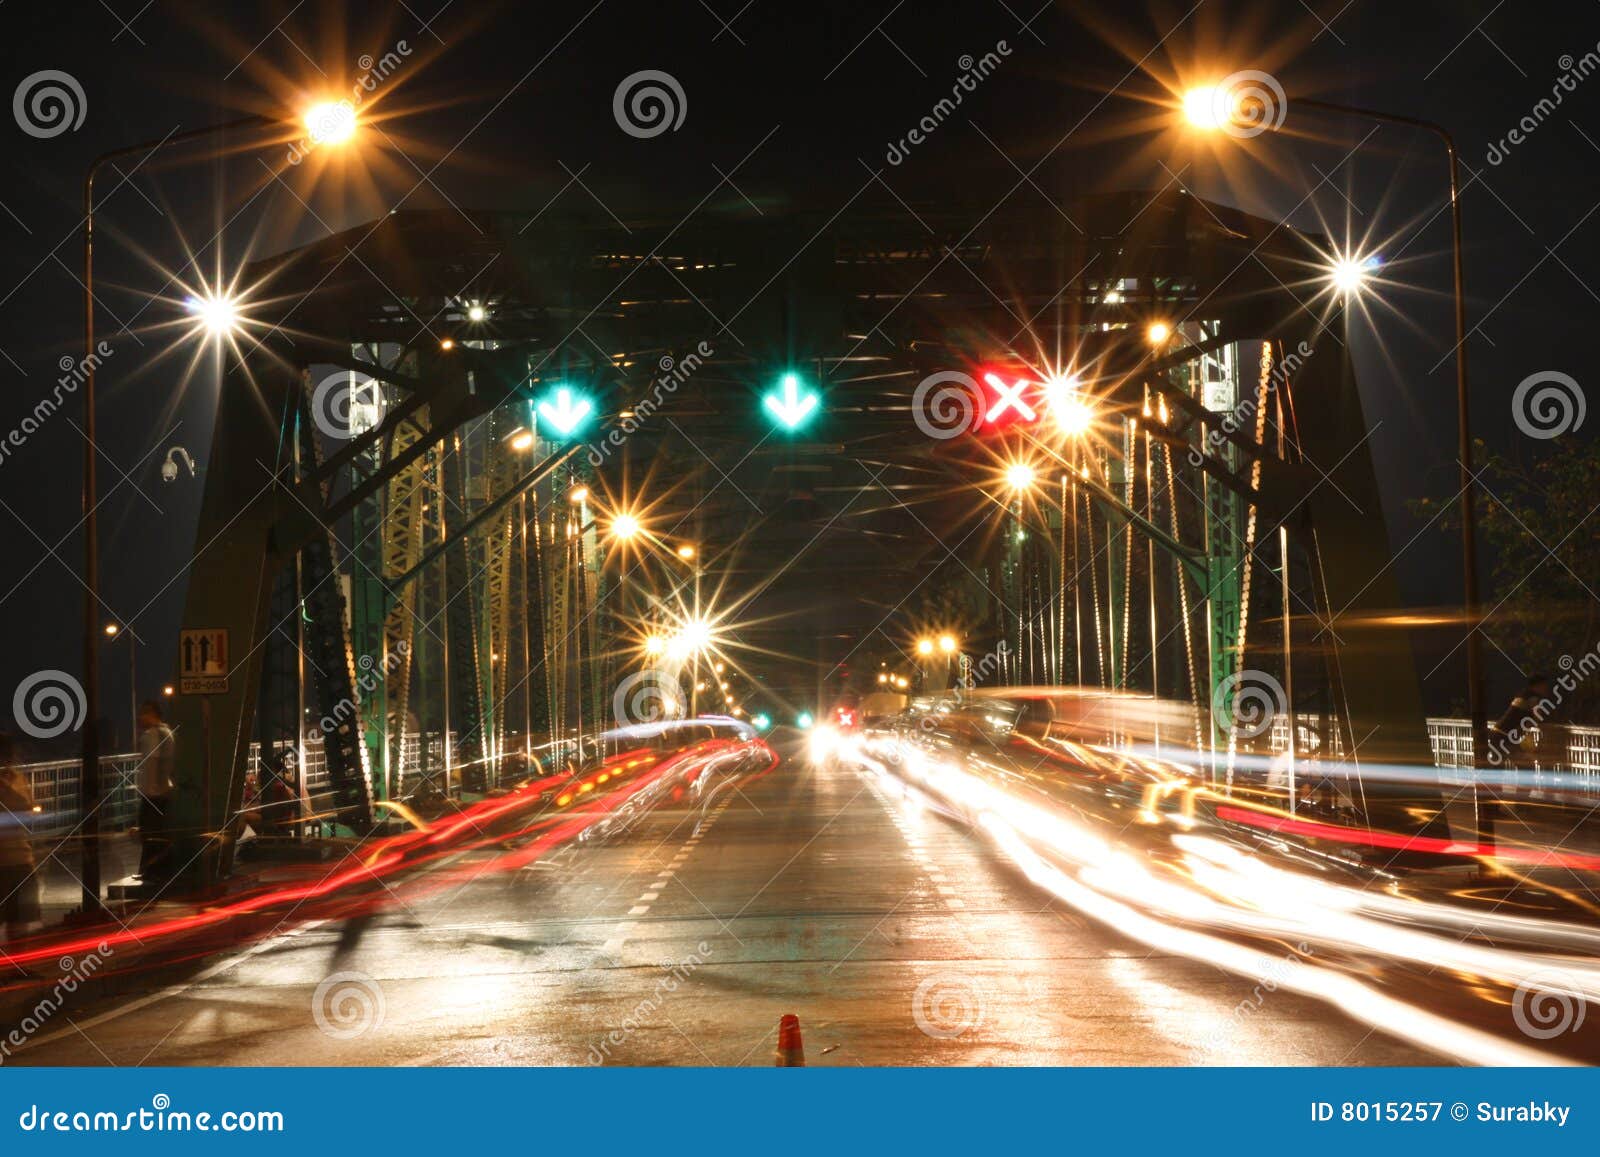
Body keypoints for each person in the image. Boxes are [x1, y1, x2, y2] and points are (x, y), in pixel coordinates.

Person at [0, 733, 37, 942]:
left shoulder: (18, 778)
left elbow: (29, 810)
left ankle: (17, 968)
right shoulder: (14, 780)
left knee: (20, 918)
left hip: (22, 857)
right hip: (5, 859)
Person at [136, 700, 177, 881]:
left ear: (153, 714)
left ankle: (150, 872)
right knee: (159, 834)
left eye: (145, 713)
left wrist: (152, 790)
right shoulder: (168, 733)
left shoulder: (153, 735)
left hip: (154, 794)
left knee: (149, 834)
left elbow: (153, 765)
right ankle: (155, 870)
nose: (141, 717)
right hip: (164, 792)